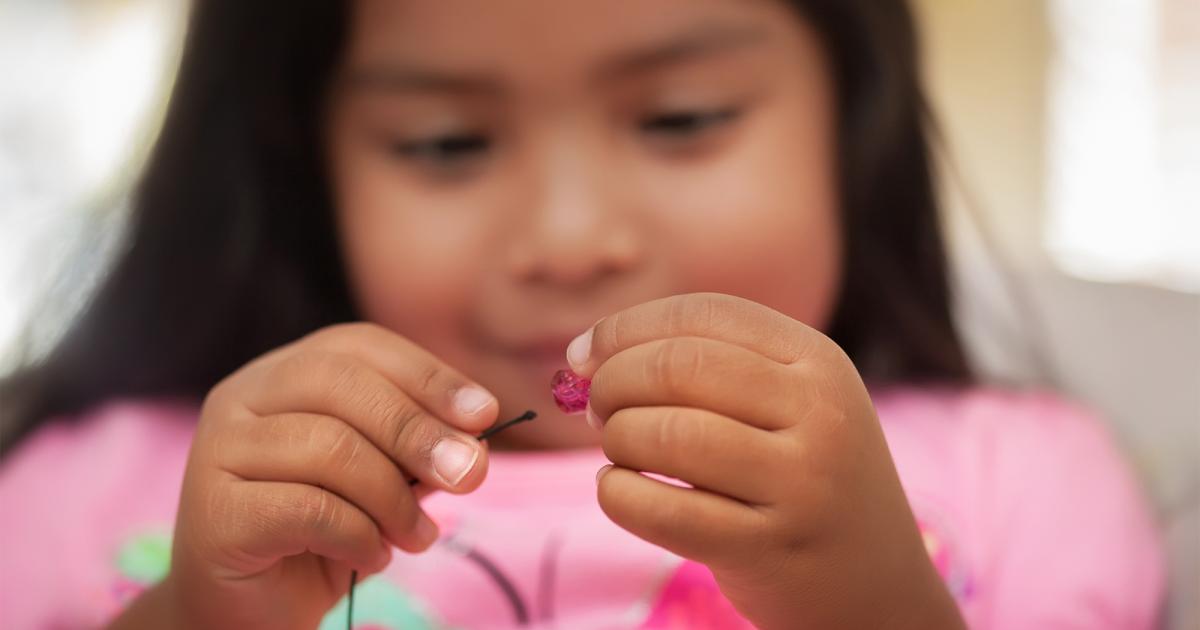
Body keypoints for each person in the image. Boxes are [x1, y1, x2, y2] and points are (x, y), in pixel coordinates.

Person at [0, 1, 1164, 628]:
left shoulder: (1026, 478)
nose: (567, 240)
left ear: (852, 118)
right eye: (447, 144)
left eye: (682, 119)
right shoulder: (91, 495)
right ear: (304, 162)